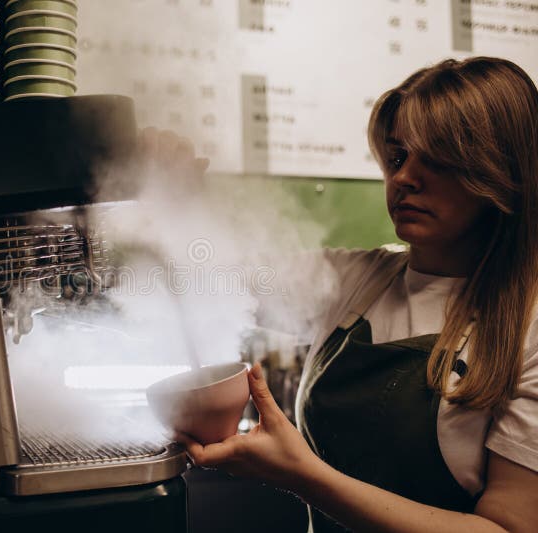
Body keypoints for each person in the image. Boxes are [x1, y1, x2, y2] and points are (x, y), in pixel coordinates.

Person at [157, 56, 538, 532]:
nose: (404, 178)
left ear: (499, 173)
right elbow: (218, 273)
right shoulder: (359, 278)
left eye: (436, 158)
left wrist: (304, 476)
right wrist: (173, 196)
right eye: (397, 157)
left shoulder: (529, 327)